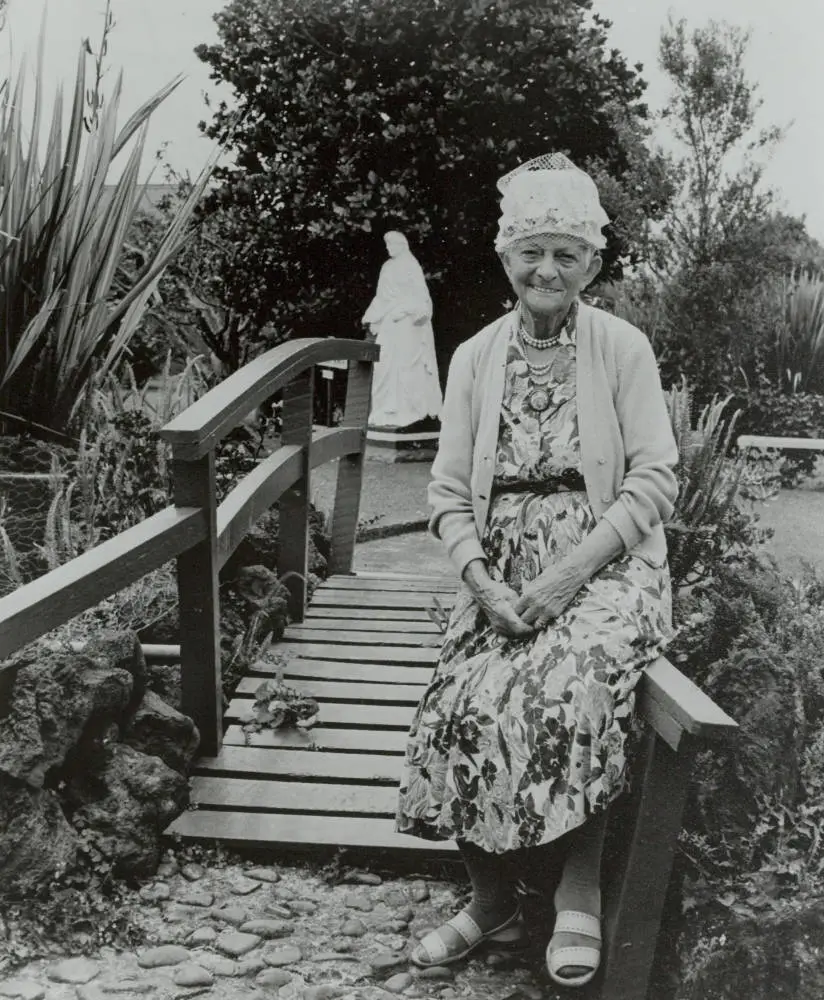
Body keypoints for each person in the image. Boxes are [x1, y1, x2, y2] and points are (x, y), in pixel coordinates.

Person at [395, 153, 678, 987]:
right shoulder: (475, 356)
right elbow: (448, 492)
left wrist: (567, 578)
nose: (546, 270)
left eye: (565, 253)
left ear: (592, 262)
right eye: (531, 252)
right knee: (460, 696)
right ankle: (492, 901)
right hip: (502, 569)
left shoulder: (622, 347)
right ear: (504, 256)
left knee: (571, 683)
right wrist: (481, 580)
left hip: (606, 564)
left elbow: (655, 478)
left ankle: (576, 893)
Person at [362, 231, 442, 428]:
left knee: (407, 364)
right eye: (387, 245)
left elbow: (421, 299)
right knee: (384, 363)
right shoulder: (387, 267)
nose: (388, 248)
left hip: (408, 323)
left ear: (401, 245)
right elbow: (382, 297)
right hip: (390, 323)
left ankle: (409, 411)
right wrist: (372, 317)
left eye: (392, 244)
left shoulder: (411, 266)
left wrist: (407, 310)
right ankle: (385, 411)